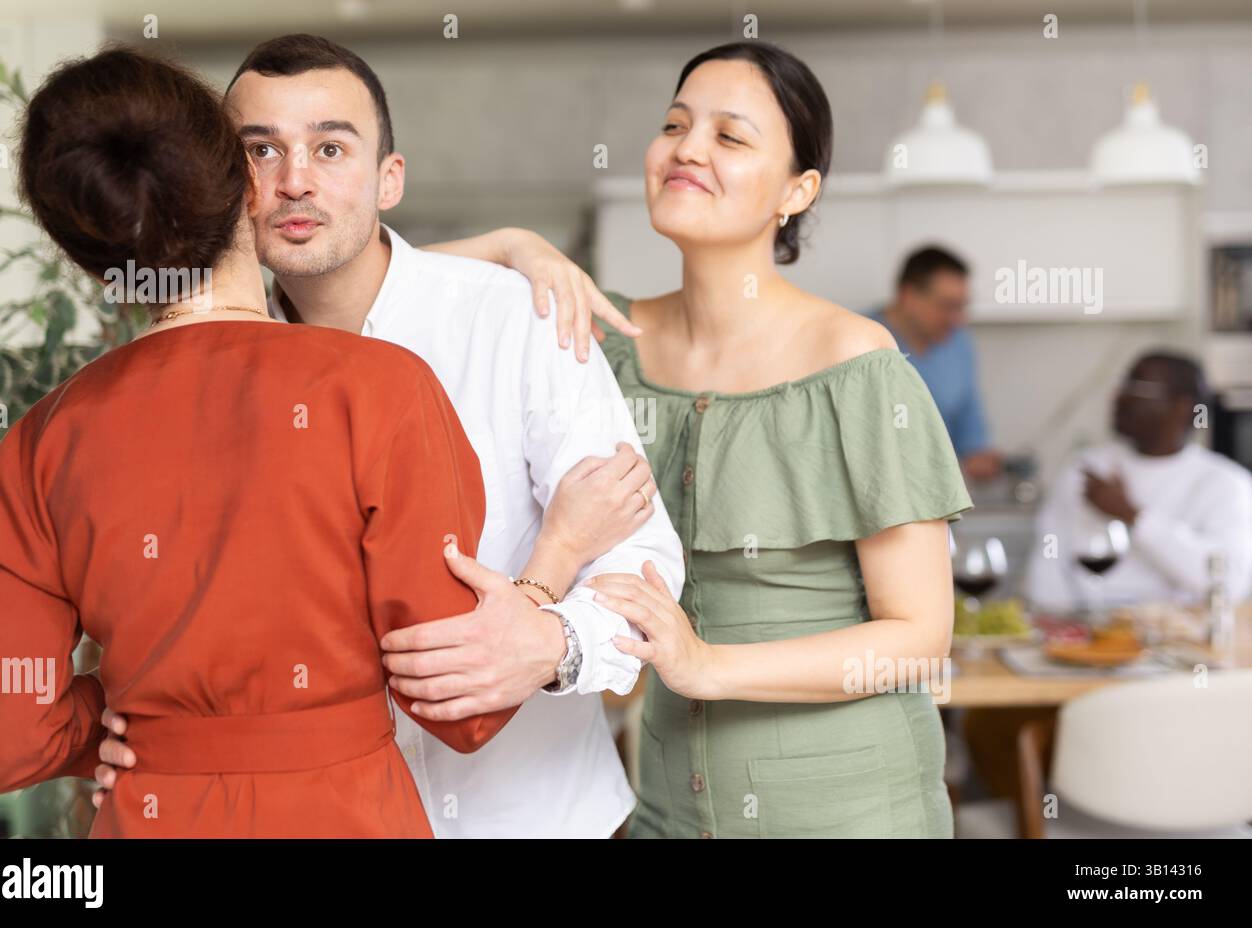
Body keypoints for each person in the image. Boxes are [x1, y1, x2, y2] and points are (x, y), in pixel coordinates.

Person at [93, 34, 685, 838]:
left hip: (537, 818)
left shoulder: (513, 317)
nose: (294, 179)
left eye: (330, 147)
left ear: (388, 178)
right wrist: (122, 729)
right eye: (259, 150)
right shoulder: (192, 379)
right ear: (221, 181)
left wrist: (549, 641)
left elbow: (644, 559)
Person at [0, 46, 520, 837]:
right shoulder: (382, 388)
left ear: (95, 257)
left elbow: (5, 744)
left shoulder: (40, 442)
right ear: (247, 187)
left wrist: (101, 718)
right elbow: (463, 705)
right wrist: (544, 588)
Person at [474, 41, 973, 837]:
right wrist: (514, 249)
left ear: (798, 190)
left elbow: (919, 642)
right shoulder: (602, 342)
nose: (688, 148)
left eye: (730, 137)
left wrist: (707, 665)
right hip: (669, 810)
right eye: (675, 124)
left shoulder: (856, 366)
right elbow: (380, 301)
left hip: (850, 814)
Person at [1025, 351, 1252, 613]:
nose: (1117, 397)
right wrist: (1062, 625)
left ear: (1181, 406)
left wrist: (1133, 516)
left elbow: (1228, 586)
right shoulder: (1085, 469)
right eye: (1122, 385)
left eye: (1136, 387)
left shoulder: (1225, 484)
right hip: (1084, 637)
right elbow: (1048, 562)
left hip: (1179, 642)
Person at [871, 246, 1005, 483]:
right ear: (909, 296)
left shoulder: (959, 344)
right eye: (947, 306)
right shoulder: (858, 340)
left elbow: (969, 419)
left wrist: (978, 455)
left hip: (939, 498)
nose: (957, 319)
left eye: (962, 307)